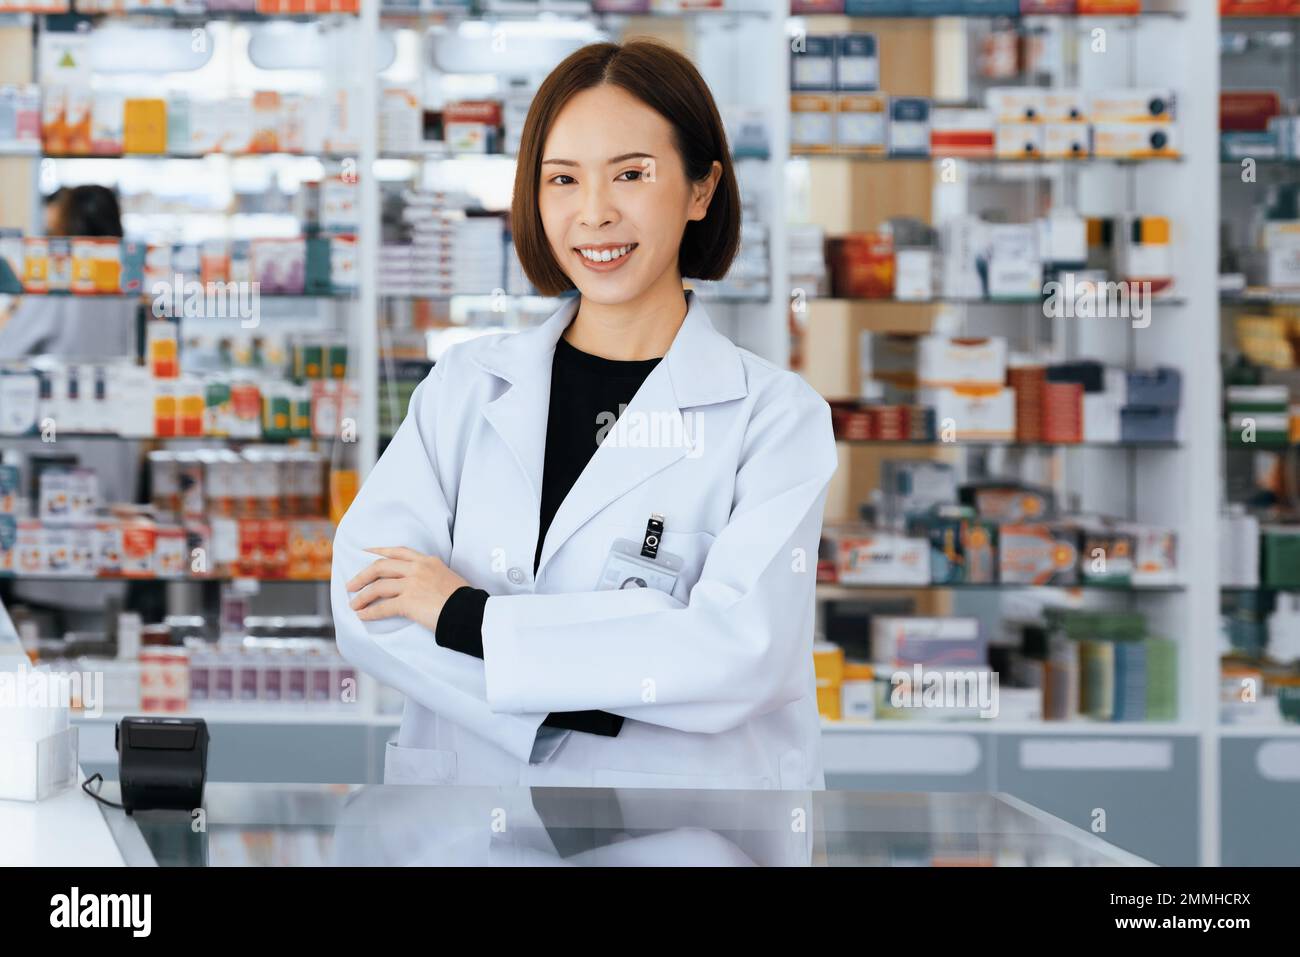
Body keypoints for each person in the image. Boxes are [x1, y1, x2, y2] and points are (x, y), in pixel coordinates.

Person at [331, 39, 838, 790]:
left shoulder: (773, 419)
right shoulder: (467, 386)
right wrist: (598, 685)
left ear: (701, 190)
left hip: (681, 835)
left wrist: (465, 617)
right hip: (469, 821)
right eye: (562, 179)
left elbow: (740, 654)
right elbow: (369, 600)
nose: (595, 213)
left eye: (632, 175)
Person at [0, 185, 140, 635]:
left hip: (63, 441)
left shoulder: (60, 277)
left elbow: (10, 344)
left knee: (54, 582)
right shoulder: (127, 274)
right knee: (98, 585)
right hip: (114, 435)